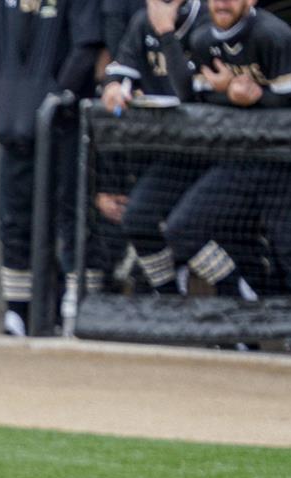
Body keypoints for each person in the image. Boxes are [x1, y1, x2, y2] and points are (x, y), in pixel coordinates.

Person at [161, 0, 291, 296]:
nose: (222, 2)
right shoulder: (203, 38)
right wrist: (233, 92)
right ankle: (241, 301)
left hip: (289, 166)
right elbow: (197, 98)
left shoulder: (274, 35)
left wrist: (256, 96)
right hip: (237, 163)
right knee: (181, 229)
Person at [0, 0, 107, 335]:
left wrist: (57, 97)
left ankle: (75, 313)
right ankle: (17, 315)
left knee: (72, 220)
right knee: (13, 224)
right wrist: (2, 98)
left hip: (63, 129)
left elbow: (86, 47)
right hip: (14, 129)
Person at [100, 0, 213, 294]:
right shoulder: (141, 20)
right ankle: (169, 298)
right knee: (137, 218)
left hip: (213, 152)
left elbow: (185, 91)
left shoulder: (208, 18)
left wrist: (166, 31)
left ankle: (241, 324)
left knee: (197, 231)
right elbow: (119, 70)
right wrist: (113, 86)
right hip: (168, 154)